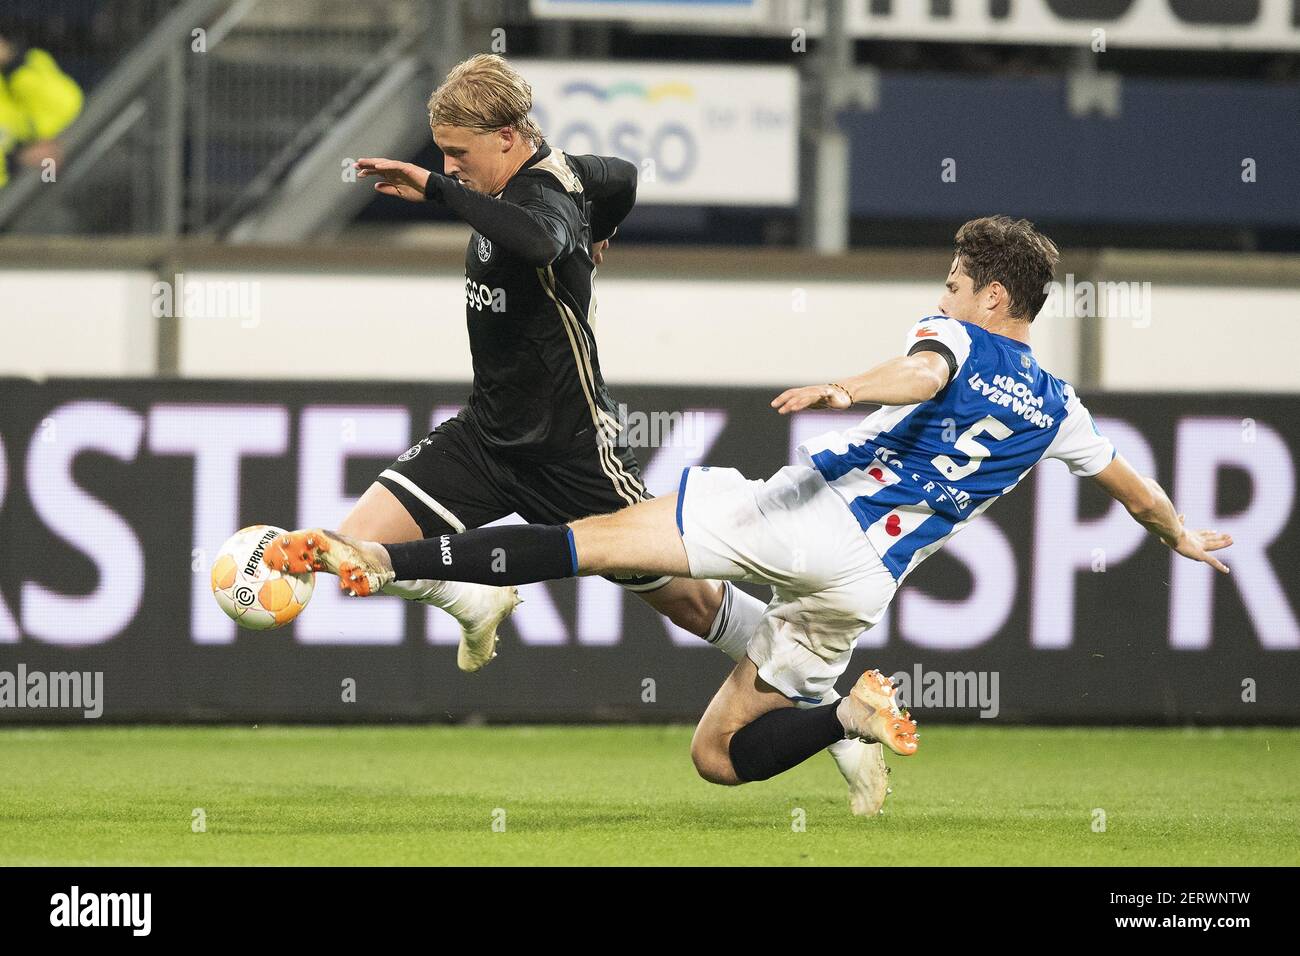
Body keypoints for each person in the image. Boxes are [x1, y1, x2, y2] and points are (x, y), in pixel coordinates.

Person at [266, 215, 1234, 796]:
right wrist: (1181, 532)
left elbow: (922, 370)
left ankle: (394, 563)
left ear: (987, 294)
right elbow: (1132, 487)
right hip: (865, 585)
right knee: (717, 754)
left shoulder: (955, 334)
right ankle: (845, 714)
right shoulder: (1058, 404)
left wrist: (849, 387)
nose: (940, 288)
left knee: (587, 542)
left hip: (813, 517)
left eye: (950, 279)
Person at [323, 53, 894, 812]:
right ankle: (472, 602)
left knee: (695, 607)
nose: (451, 166)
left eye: (459, 153)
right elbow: (622, 174)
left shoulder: (547, 196)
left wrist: (438, 190)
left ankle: (836, 720)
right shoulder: (566, 179)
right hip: (485, 436)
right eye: (442, 155)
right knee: (351, 551)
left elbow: (534, 240)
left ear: (506, 136)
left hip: (570, 454)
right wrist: (605, 234)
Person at [0, 32, 83, 189]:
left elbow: (64, 103)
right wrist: (16, 158)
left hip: (49, 184)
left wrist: (11, 62)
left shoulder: (28, 65)